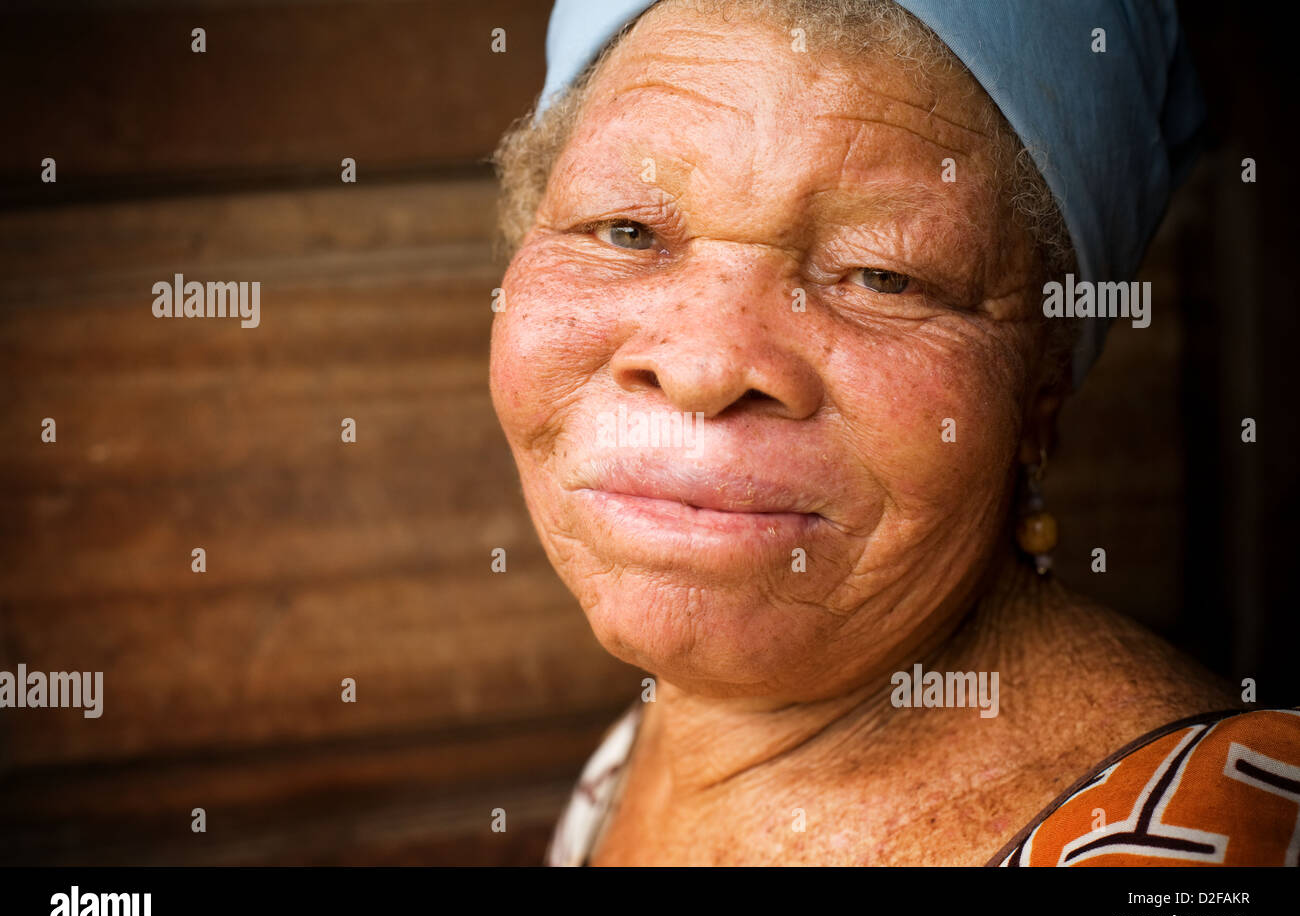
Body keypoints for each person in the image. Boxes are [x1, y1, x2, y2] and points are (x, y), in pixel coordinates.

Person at [488, 0, 1300, 865]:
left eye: (883, 275)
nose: (704, 367)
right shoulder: (655, 742)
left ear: (1042, 392)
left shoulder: (1209, 846)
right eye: (626, 230)